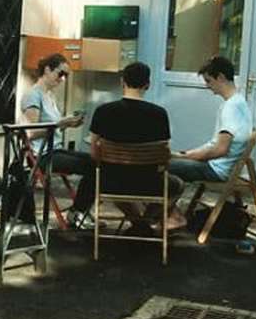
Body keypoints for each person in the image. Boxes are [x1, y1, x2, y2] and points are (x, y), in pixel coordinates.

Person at [85, 62, 175, 230]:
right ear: (147, 84)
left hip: (111, 181)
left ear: (122, 82)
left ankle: (138, 222)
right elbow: (165, 155)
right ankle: (145, 221)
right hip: (149, 183)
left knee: (107, 178)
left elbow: (94, 153)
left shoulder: (104, 111)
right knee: (177, 184)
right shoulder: (159, 114)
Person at [167, 55, 253, 223]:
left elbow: (220, 149)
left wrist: (188, 156)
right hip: (221, 166)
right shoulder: (239, 102)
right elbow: (216, 145)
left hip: (216, 169)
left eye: (208, 81)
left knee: (160, 166)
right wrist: (189, 153)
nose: (207, 86)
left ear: (220, 77)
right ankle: (168, 213)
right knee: (172, 160)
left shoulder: (231, 108)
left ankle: (170, 215)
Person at [21, 53, 93, 227]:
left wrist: (67, 124)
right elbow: (31, 132)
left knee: (98, 161)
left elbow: (53, 126)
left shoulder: (49, 96)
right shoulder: (33, 95)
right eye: (60, 74)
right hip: (41, 154)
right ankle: (78, 211)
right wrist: (60, 123)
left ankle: (79, 209)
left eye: (66, 76)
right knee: (92, 166)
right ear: (47, 70)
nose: (62, 79)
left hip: (55, 148)